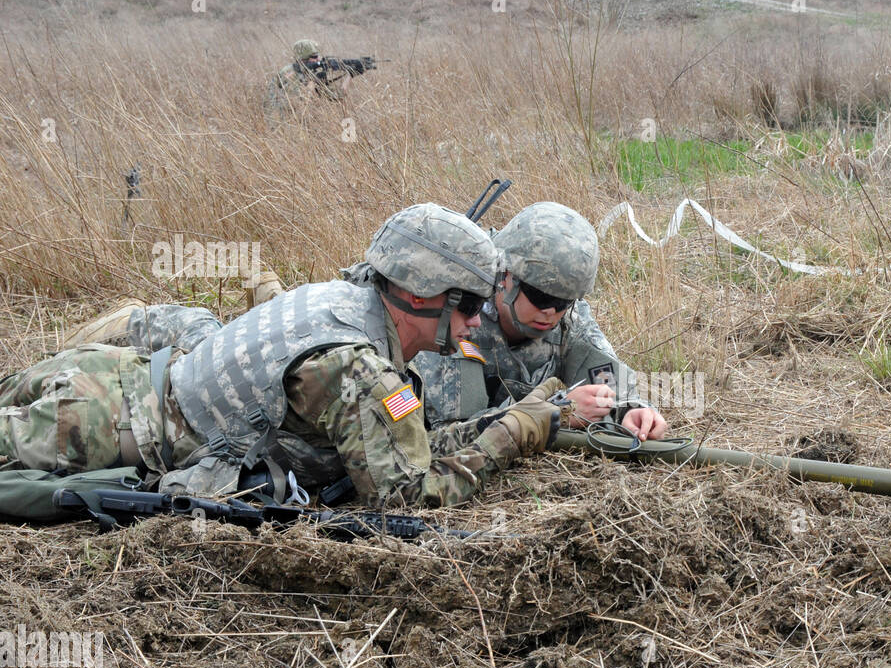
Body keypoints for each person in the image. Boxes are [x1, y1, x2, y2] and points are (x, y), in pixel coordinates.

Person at [1, 205, 564, 508]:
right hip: (96, 428)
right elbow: (405, 495)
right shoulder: (359, 369)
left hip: (103, 374)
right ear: (419, 295)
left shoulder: (340, 301)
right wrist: (512, 437)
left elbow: (407, 442)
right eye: (467, 303)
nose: (475, 321)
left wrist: (520, 416)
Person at [67, 202, 670, 441]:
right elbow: (433, 430)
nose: (553, 313)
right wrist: (552, 412)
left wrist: (629, 406)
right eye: (542, 296)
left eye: (567, 302)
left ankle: (257, 294)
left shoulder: (562, 311)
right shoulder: (450, 319)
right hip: (330, 347)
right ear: (504, 277)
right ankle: (152, 321)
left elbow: (602, 366)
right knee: (221, 345)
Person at [264, 38, 346, 117]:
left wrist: (349, 75)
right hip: (282, 118)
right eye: (314, 56)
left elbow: (335, 97)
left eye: (318, 56)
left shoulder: (310, 72)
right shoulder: (290, 73)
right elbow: (297, 104)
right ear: (303, 59)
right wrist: (312, 83)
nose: (318, 59)